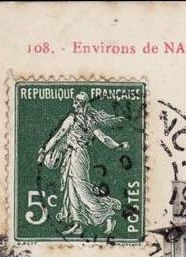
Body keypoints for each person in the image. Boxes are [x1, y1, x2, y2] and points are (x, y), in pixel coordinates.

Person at [37, 92, 129, 236]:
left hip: (76, 155)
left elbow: (58, 136)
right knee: (71, 189)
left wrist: (44, 151)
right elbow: (104, 138)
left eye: (76, 102)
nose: (74, 104)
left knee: (81, 188)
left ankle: (107, 216)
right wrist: (118, 146)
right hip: (75, 155)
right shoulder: (91, 121)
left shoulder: (72, 119)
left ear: (80, 104)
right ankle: (77, 223)